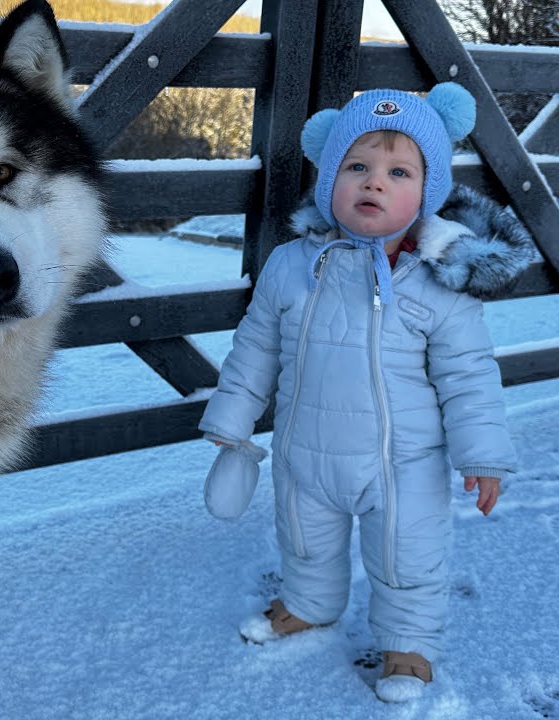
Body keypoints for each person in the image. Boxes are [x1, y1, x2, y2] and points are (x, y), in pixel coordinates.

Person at [199, 83, 530, 703]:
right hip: (305, 455)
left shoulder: (438, 283)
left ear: (428, 193)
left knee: (407, 557)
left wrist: (482, 454)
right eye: (357, 167)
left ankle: (407, 643)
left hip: (402, 466)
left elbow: (469, 376)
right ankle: (306, 604)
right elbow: (255, 348)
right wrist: (232, 426)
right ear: (329, 180)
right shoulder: (291, 265)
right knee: (304, 539)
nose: (373, 183)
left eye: (398, 171)